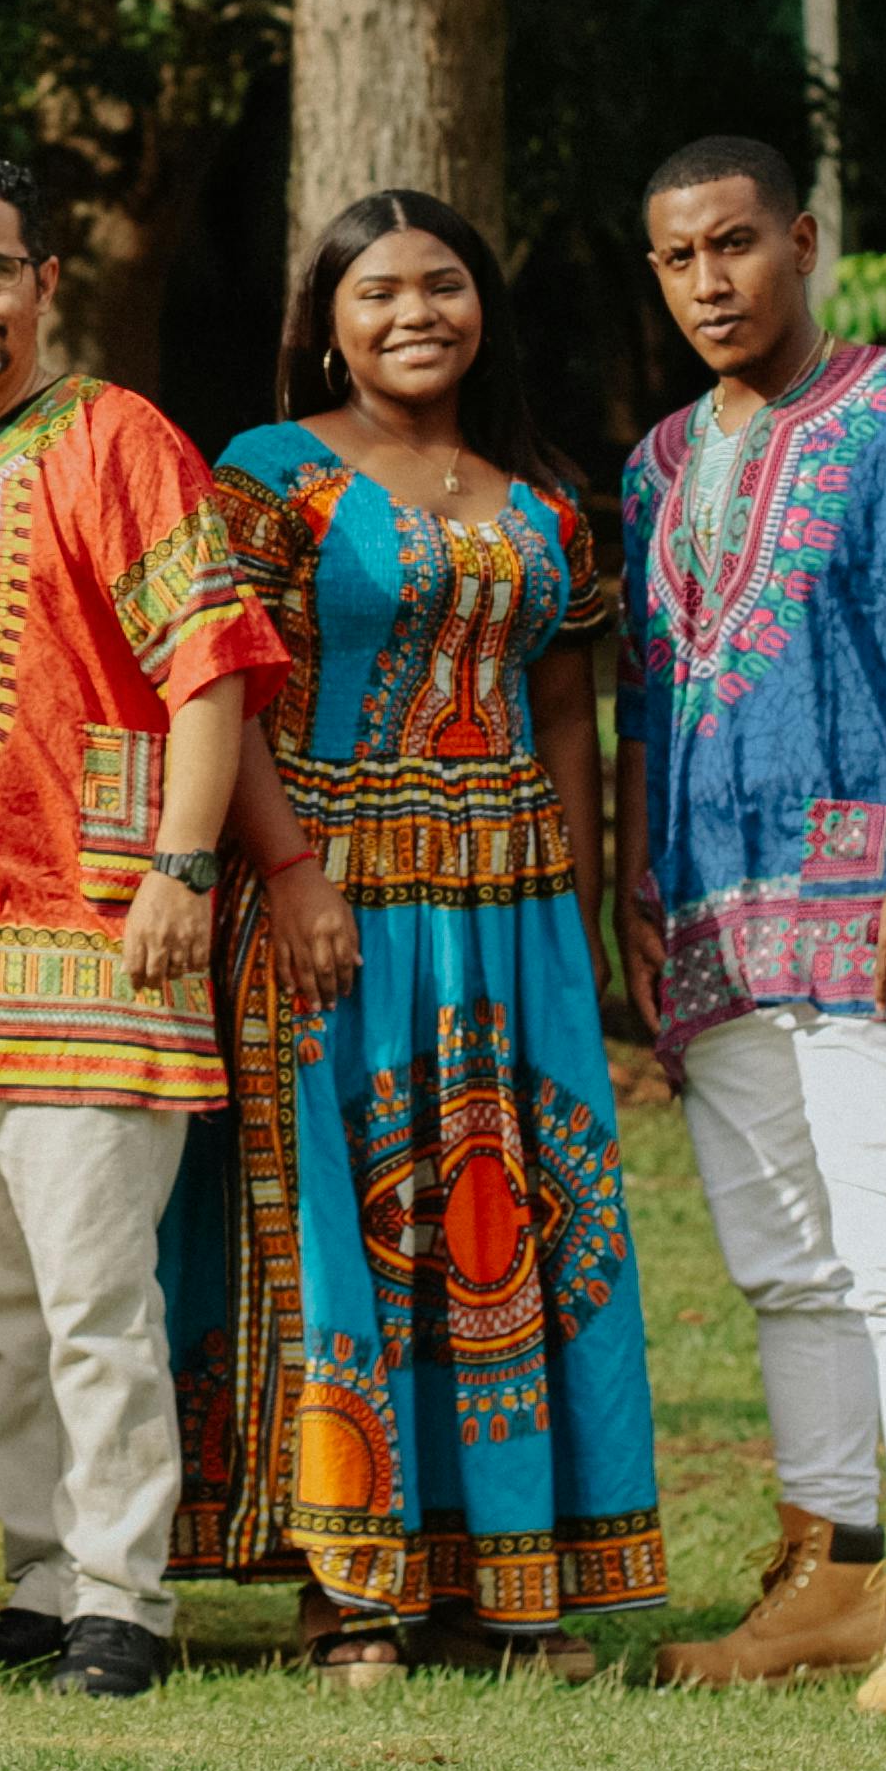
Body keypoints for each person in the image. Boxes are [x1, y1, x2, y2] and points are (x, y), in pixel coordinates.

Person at [0, 151, 304, 1703]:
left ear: (42, 283)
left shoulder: (115, 437)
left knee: (96, 1295)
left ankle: (125, 1600)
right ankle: (39, 1577)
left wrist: (184, 863)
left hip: (98, 928)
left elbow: (212, 660)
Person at [610, 133, 886, 1713]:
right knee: (786, 1266)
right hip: (718, 918)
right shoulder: (659, 463)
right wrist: (636, 884)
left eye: (736, 244)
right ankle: (829, 1578)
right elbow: (654, 697)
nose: (710, 281)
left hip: (882, 895)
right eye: (679, 258)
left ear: (802, 239)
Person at [197, 191, 673, 1680]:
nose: (416, 315)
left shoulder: (542, 495)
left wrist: (584, 919)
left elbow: (564, 710)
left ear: (485, 308)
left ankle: (511, 1588)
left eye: (445, 286)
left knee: (514, 1231)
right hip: (329, 895)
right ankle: (355, 1594)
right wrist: (286, 876)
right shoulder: (270, 478)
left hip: (511, 902)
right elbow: (232, 688)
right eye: (380, 291)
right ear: (326, 322)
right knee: (347, 1236)